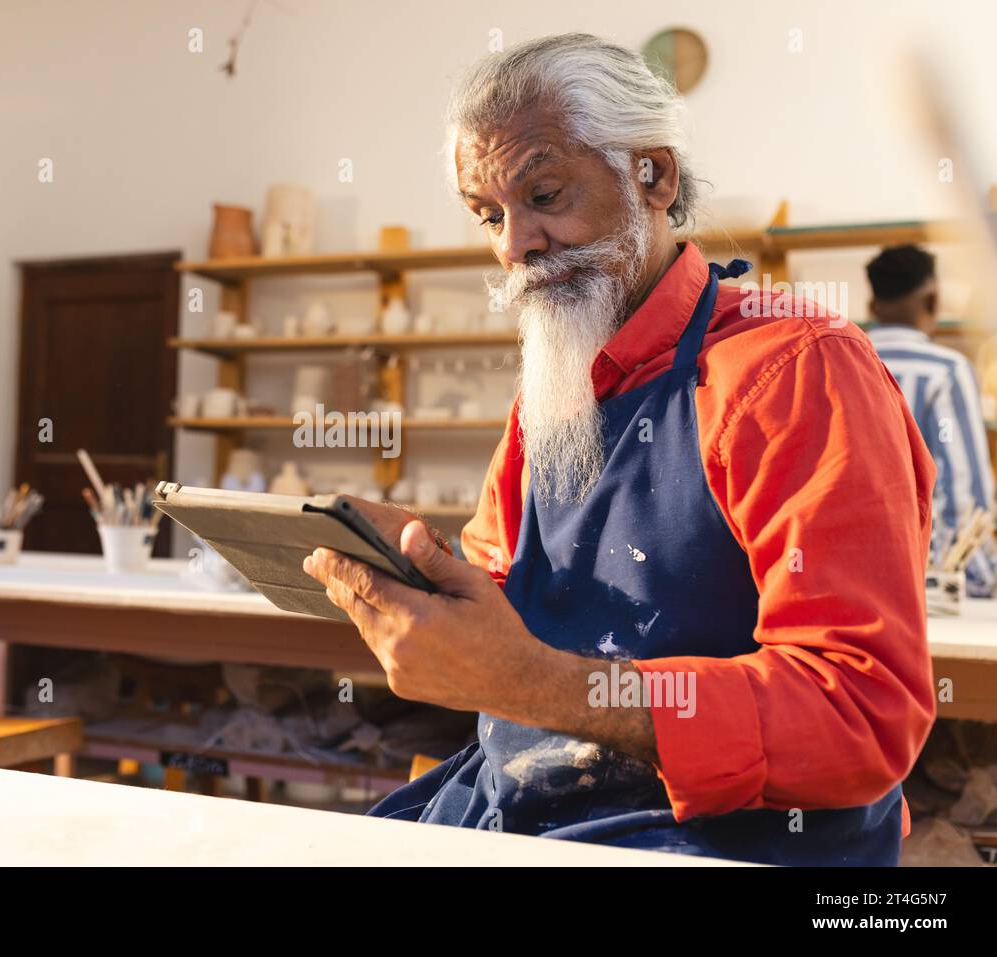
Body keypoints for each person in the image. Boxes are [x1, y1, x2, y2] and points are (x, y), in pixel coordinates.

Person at [301, 33, 937, 865]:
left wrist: (535, 684)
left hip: (718, 836)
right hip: (528, 806)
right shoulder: (555, 388)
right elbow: (507, 597)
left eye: (545, 194)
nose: (514, 245)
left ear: (654, 176)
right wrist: (421, 580)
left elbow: (858, 711)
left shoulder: (793, 372)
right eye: (489, 214)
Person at [865, 244, 996, 596]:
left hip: (858, 576)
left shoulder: (841, 357)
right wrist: (977, 576)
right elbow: (962, 488)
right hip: (933, 578)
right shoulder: (945, 371)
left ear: (873, 306)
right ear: (933, 300)